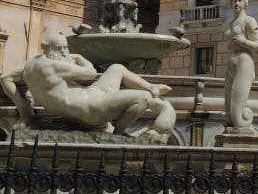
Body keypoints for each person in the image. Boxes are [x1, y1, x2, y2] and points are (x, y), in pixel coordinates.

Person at [0, 32, 174, 136]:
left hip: (92, 94)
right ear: (48, 50)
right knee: (143, 98)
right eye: (60, 49)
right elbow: (90, 72)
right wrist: (78, 57)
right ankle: (118, 134)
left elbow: (5, 77)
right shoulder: (54, 65)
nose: (64, 52)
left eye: (65, 48)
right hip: (92, 109)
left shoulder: (30, 64)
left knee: (117, 68)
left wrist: (23, 108)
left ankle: (152, 86)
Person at [224, 0, 258, 130]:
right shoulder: (231, 23)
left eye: (240, 0)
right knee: (229, 115)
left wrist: (243, 41)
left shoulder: (249, 21)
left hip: (244, 64)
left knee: (238, 117)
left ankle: (243, 138)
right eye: (234, 1)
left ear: (245, 3)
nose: (237, 3)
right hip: (230, 67)